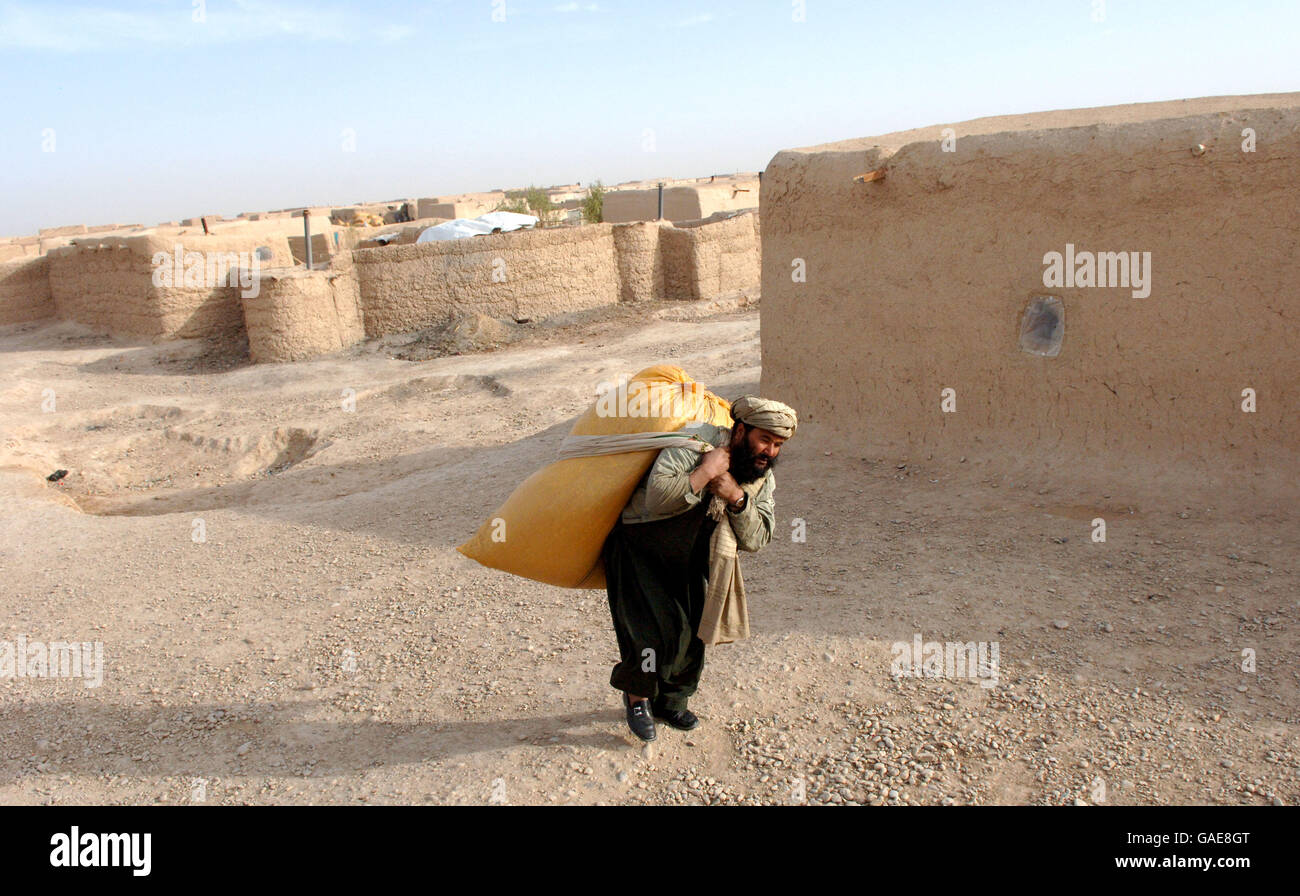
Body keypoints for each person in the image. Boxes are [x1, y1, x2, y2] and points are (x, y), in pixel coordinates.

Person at [601, 396, 797, 741]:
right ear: (741, 431)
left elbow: (759, 537)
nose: (770, 451)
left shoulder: (759, 479)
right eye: (764, 440)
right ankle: (638, 698)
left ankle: (672, 700)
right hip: (639, 544)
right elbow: (657, 496)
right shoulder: (696, 441)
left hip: (691, 556)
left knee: (691, 634)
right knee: (648, 631)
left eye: (778, 444)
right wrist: (705, 471)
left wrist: (736, 497)